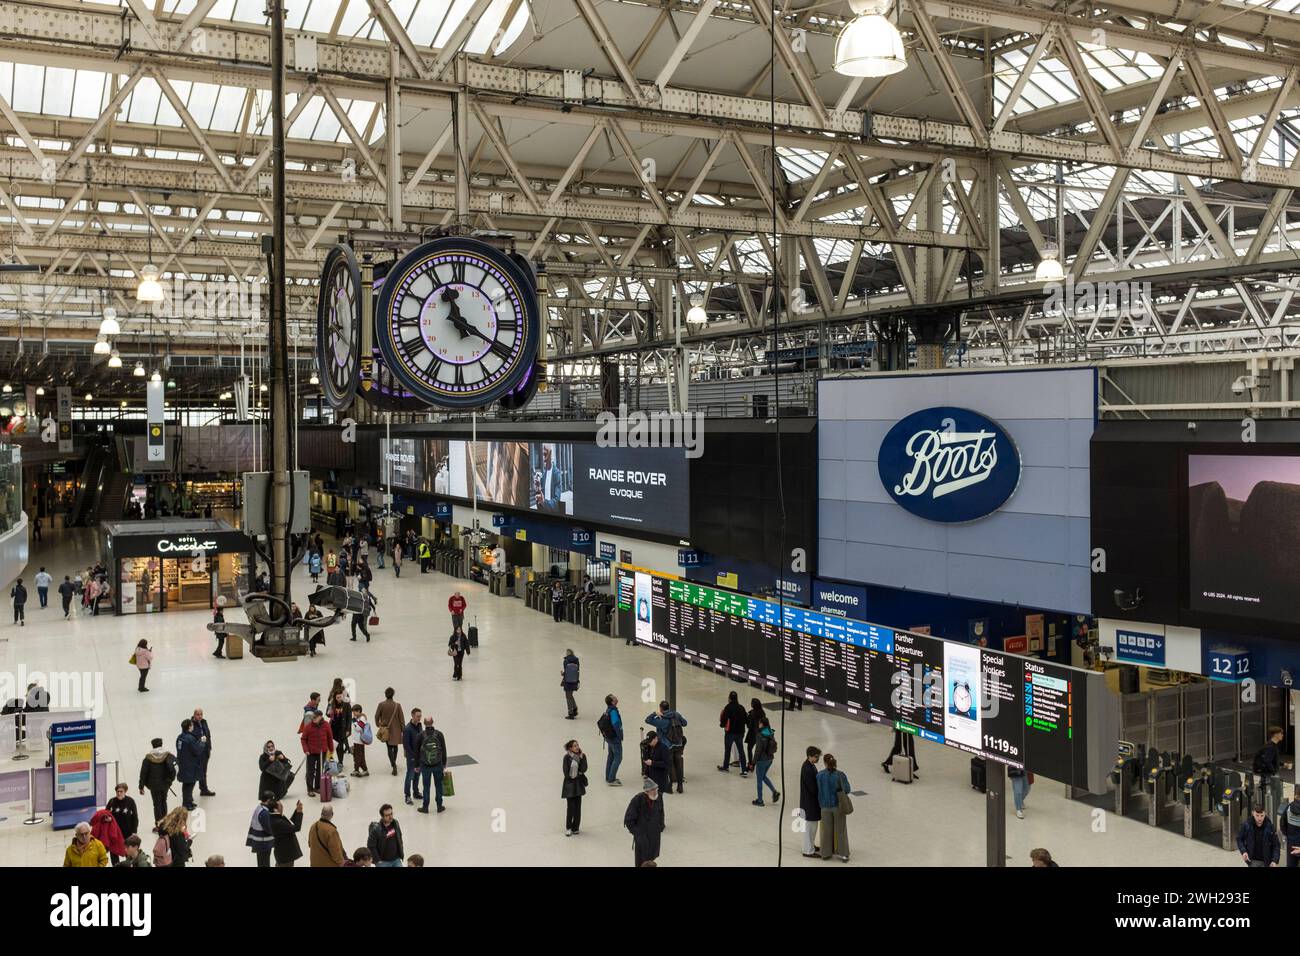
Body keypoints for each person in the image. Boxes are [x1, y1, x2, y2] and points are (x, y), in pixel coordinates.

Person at [645, 700, 688, 793]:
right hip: (679, 743)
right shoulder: (676, 714)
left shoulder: (661, 720)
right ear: (669, 707)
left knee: (668, 765)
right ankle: (680, 786)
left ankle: (670, 786)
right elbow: (685, 723)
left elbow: (647, 720)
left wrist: (655, 713)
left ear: (660, 708)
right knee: (678, 764)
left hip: (667, 746)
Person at [817, 753, 852, 862]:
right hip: (838, 806)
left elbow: (818, 790)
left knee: (826, 830)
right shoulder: (840, 775)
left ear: (825, 762)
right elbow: (847, 789)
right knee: (841, 830)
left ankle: (826, 853)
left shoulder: (819, 775)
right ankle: (844, 854)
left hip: (824, 807)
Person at [624, 778, 665, 867]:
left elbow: (661, 812)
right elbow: (628, 820)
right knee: (641, 861)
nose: (655, 792)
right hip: (642, 838)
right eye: (652, 790)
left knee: (651, 859)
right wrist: (638, 834)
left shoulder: (659, 797)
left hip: (654, 836)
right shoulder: (637, 800)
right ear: (646, 791)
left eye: (656, 789)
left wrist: (661, 826)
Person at [416, 715, 448, 814]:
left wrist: (417, 765)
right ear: (433, 722)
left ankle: (425, 807)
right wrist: (444, 763)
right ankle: (439, 806)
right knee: (438, 785)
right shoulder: (439, 734)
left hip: (425, 765)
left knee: (426, 786)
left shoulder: (420, 735)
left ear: (424, 724)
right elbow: (443, 749)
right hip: (438, 765)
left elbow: (417, 752)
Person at [300, 709, 334, 798]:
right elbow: (303, 739)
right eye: (313, 718)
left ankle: (317, 787)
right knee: (310, 771)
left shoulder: (326, 725)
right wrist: (306, 750)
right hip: (311, 752)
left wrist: (331, 750)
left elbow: (330, 738)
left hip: (322, 752)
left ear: (321, 717)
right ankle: (310, 789)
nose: (313, 719)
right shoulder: (308, 726)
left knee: (320, 770)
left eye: (315, 718)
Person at [1253, 726, 1286, 813]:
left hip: (1266, 775)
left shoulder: (1270, 745)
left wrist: (1283, 764)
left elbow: (1271, 760)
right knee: (1269, 794)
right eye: (1281, 733)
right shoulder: (1271, 747)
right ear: (1276, 735)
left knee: (1266, 793)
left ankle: (1265, 811)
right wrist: (1273, 772)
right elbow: (1267, 761)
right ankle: (1267, 812)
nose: (1282, 735)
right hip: (1268, 775)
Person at [107, 783, 139, 864]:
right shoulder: (112, 801)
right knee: (114, 852)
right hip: (114, 834)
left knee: (128, 853)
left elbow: (135, 817)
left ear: (125, 791)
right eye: (117, 791)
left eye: (121, 791)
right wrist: (107, 818)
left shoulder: (130, 801)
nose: (119, 793)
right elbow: (105, 814)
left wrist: (134, 832)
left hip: (127, 834)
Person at [751, 717, 780, 807]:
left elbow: (758, 750)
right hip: (770, 758)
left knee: (759, 780)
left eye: (759, 723)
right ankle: (774, 792)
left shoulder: (760, 735)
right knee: (763, 776)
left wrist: (753, 762)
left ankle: (760, 800)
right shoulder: (770, 732)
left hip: (761, 760)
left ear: (762, 724)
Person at [375, 688, 405, 777]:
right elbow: (401, 719)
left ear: (385, 694)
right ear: (393, 694)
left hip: (385, 729)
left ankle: (393, 765)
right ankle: (394, 763)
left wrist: (378, 724)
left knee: (389, 747)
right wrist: (403, 730)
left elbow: (376, 716)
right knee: (395, 747)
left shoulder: (381, 705)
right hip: (396, 729)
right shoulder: (397, 705)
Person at [718, 691, 749, 777]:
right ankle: (744, 770)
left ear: (730, 698)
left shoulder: (728, 707)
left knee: (727, 750)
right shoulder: (741, 708)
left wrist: (722, 725)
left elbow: (724, 720)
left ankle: (725, 767)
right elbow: (746, 720)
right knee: (741, 751)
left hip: (730, 733)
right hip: (740, 733)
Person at [799, 746, 822, 857]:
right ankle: (808, 850)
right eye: (816, 757)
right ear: (809, 756)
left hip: (811, 803)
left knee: (813, 826)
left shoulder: (811, 765)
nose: (818, 759)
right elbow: (812, 788)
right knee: (809, 828)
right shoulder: (807, 769)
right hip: (809, 803)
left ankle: (811, 845)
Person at [175, 719, 203, 810]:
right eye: (191, 725)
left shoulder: (180, 737)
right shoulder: (190, 739)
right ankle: (187, 804)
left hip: (183, 764)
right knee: (189, 785)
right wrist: (202, 742)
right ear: (189, 727)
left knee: (187, 784)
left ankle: (188, 801)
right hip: (190, 765)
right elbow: (197, 750)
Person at [268, 799, 305, 868]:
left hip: (282, 853)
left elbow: (289, 824)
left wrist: (296, 811)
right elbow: (296, 828)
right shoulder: (278, 822)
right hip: (286, 856)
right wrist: (299, 812)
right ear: (275, 809)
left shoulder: (273, 817)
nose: (282, 807)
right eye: (281, 806)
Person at [562, 739, 588, 835]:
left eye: (577, 745)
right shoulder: (566, 758)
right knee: (571, 807)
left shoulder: (582, 756)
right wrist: (576, 774)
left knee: (578, 807)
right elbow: (566, 772)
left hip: (578, 785)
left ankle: (576, 827)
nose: (577, 747)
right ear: (570, 748)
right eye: (575, 746)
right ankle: (568, 827)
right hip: (570, 785)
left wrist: (581, 759)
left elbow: (584, 769)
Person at [246, 791, 277, 867]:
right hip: (263, 843)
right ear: (268, 801)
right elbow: (268, 829)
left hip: (259, 842)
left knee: (261, 862)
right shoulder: (264, 813)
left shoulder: (260, 807)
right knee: (264, 863)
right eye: (273, 800)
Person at [401, 707, 424, 805]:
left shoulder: (419, 725)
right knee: (410, 776)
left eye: (420, 716)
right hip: (412, 757)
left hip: (420, 756)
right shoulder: (407, 729)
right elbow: (406, 745)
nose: (419, 718)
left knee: (417, 775)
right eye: (418, 716)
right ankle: (407, 795)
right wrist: (413, 757)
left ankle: (415, 792)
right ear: (412, 716)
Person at [600, 693, 624, 785]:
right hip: (614, 738)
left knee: (611, 756)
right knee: (618, 757)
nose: (616, 698)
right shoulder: (613, 712)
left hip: (609, 737)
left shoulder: (608, 710)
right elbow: (616, 725)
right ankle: (611, 779)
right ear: (612, 702)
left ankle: (608, 777)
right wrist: (620, 735)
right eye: (614, 697)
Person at [192, 708, 215, 797]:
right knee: (195, 773)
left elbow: (208, 735)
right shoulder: (191, 725)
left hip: (205, 751)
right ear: (194, 715)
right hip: (198, 752)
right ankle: (188, 796)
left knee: (203, 771)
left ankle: (204, 789)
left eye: (201, 714)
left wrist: (209, 747)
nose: (200, 716)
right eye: (198, 714)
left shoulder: (204, 722)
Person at [641, 730, 672, 796]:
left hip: (660, 779)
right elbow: (645, 759)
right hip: (650, 777)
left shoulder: (663, 748)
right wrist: (644, 750)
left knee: (658, 799)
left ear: (656, 738)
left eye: (650, 741)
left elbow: (667, 764)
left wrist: (653, 763)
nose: (649, 743)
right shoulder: (649, 746)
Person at [329, 691, 352, 770]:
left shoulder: (346, 705)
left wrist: (348, 729)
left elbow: (349, 718)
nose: (339, 699)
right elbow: (327, 714)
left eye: (340, 697)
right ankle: (329, 761)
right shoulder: (332, 704)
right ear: (335, 698)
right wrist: (330, 712)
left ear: (343, 697)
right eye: (337, 697)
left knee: (340, 746)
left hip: (342, 729)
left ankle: (340, 761)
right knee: (331, 745)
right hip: (332, 728)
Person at [349, 704, 371, 777]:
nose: (353, 713)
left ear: (358, 711)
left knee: (358, 756)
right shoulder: (357, 718)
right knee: (358, 756)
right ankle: (363, 770)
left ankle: (358, 770)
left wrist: (354, 721)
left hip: (360, 740)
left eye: (354, 712)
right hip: (356, 740)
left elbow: (359, 728)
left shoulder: (362, 718)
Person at [744, 699, 767, 771]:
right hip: (761, 733)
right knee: (758, 749)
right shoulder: (762, 713)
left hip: (752, 734)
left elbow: (749, 725)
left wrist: (747, 718)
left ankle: (751, 764)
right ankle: (756, 763)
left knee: (749, 748)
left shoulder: (752, 714)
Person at [1280, 794, 1300, 868]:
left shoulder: (1289, 807)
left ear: (1296, 796)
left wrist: (1288, 835)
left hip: (1291, 843)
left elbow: (1282, 823)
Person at [561, 650, 580, 719]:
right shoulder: (577, 660)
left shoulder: (566, 661)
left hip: (568, 681)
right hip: (575, 681)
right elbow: (578, 671)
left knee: (568, 696)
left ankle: (571, 713)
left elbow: (566, 672)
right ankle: (575, 709)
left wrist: (562, 674)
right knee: (570, 695)